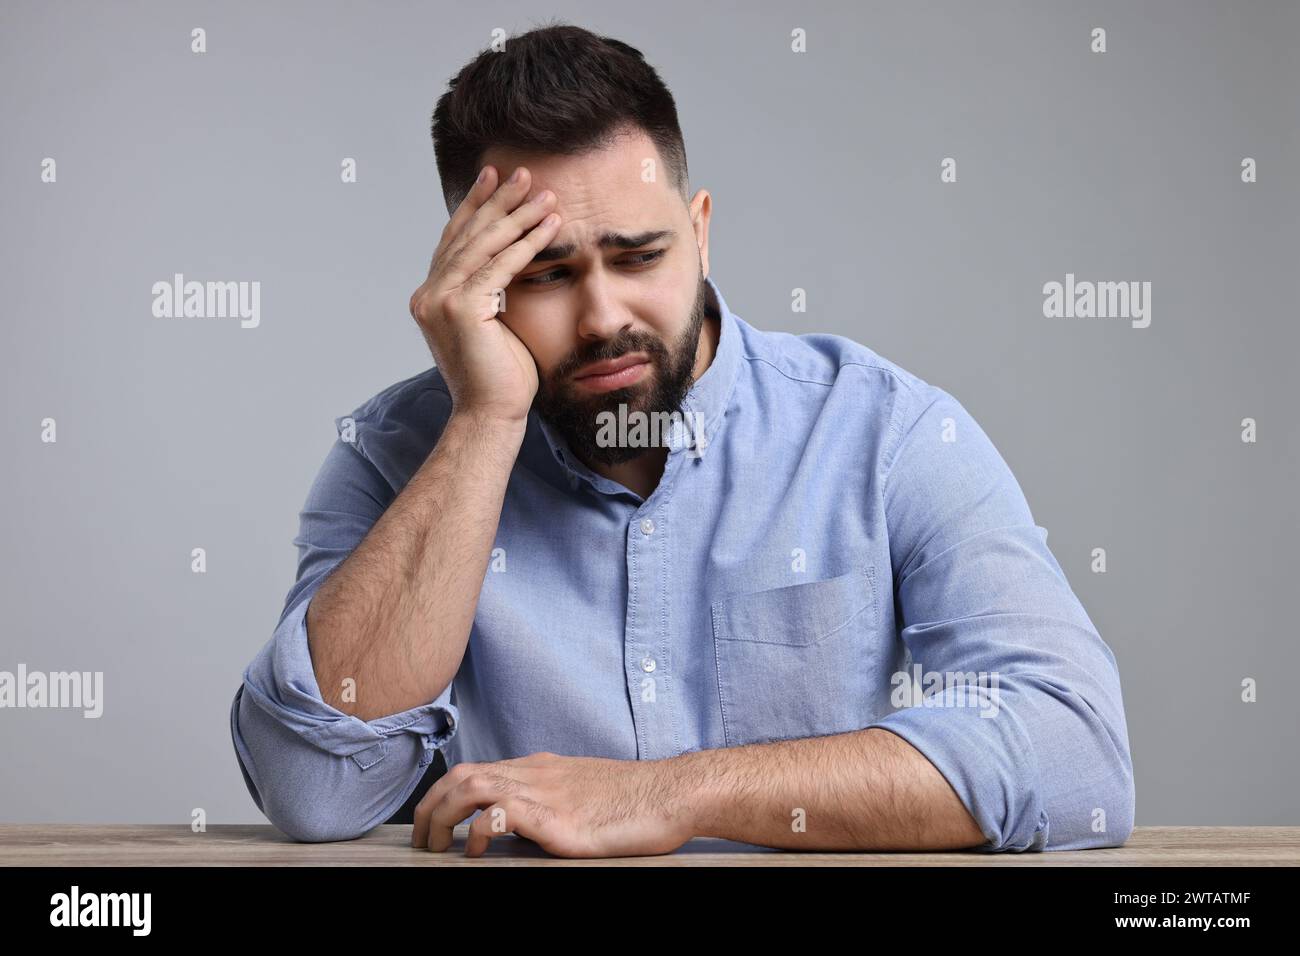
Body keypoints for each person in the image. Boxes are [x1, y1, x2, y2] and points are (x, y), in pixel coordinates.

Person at [230, 22, 1133, 857]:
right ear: (476, 277)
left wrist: (669, 795)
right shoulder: (397, 454)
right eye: (545, 274)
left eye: (639, 256)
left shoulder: (884, 432)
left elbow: (1074, 750)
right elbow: (315, 790)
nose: (602, 316)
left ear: (699, 232)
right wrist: (485, 420)